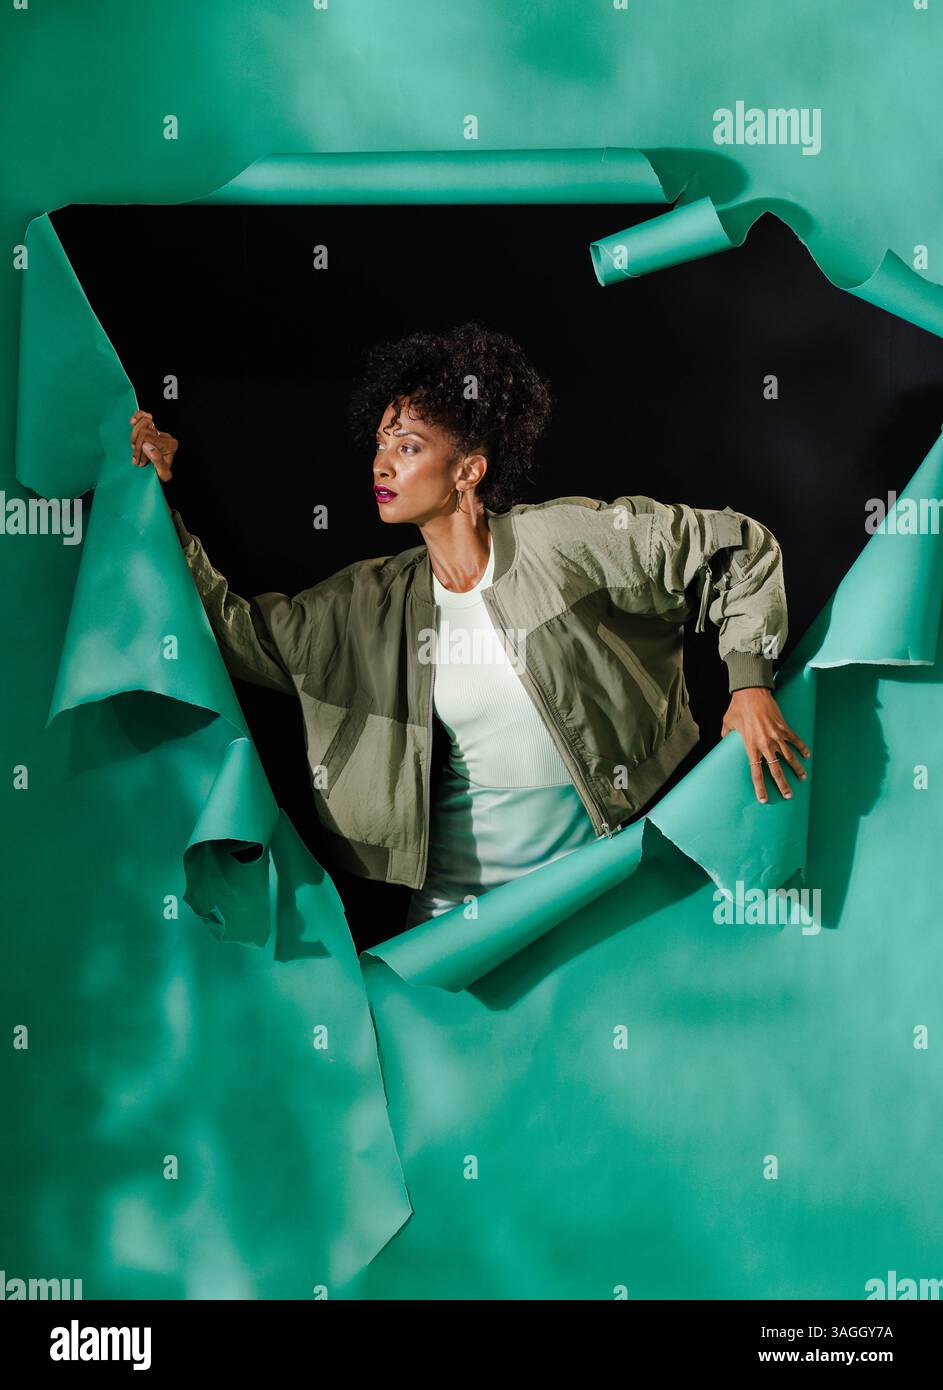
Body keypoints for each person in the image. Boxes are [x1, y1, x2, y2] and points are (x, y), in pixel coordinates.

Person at [129, 321, 810, 929]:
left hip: (596, 900)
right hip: (454, 919)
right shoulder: (369, 602)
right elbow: (230, 633)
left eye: (408, 445)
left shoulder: (561, 542)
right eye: (380, 443)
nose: (382, 462)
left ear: (468, 470)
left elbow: (736, 547)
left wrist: (748, 685)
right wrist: (154, 504)